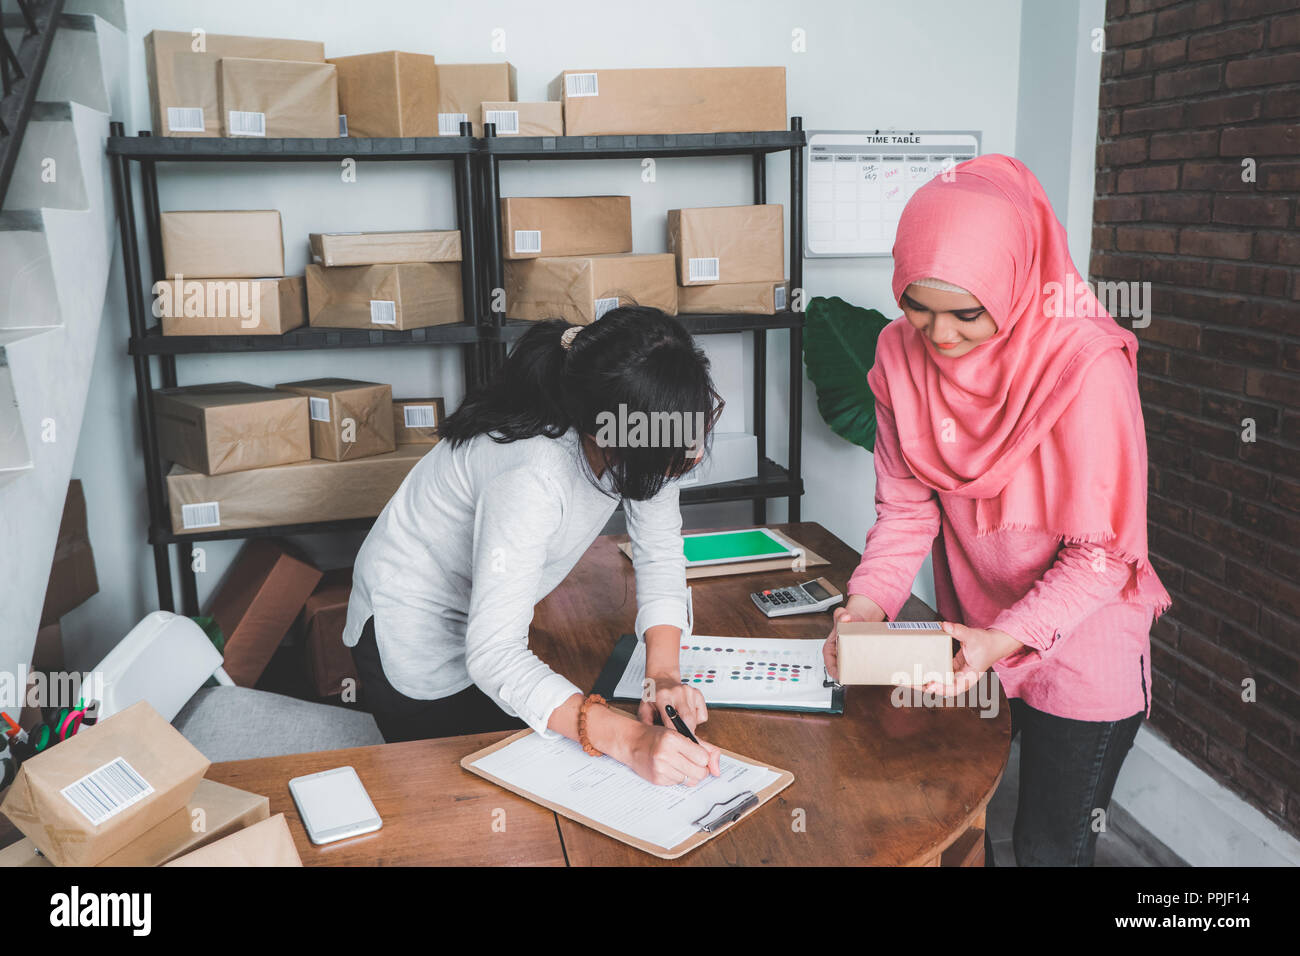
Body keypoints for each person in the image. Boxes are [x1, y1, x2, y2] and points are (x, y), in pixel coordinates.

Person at [823, 154, 1171, 866]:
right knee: (958, 820)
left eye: (966, 313)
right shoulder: (897, 355)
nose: (939, 334)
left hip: (1085, 640)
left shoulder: (1084, 362)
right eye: (917, 304)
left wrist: (1002, 638)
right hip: (973, 632)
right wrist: (865, 607)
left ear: (1016, 281)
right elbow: (906, 512)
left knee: (1048, 847)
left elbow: (1102, 553)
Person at [345, 306, 725, 787]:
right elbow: (494, 654)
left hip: (488, 623)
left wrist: (664, 675)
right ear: (605, 434)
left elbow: (659, 547)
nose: (690, 452)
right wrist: (631, 741)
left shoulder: (645, 426)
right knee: (470, 800)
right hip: (413, 632)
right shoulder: (533, 476)